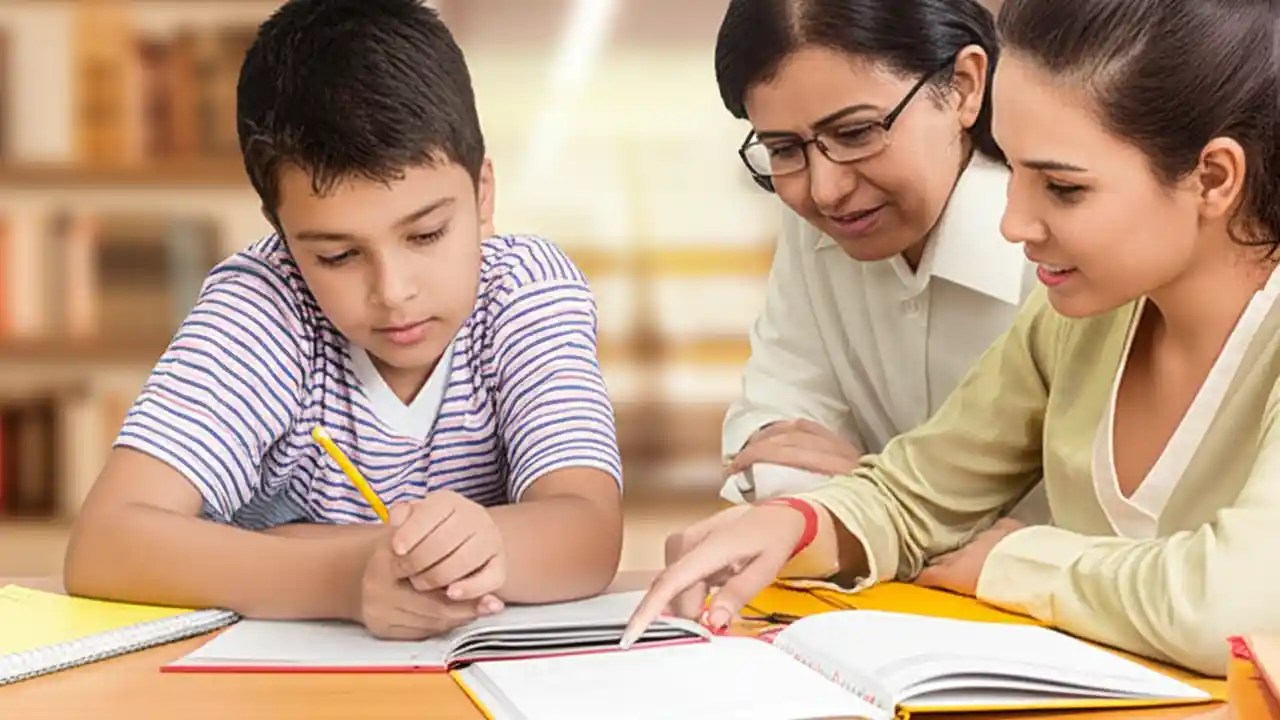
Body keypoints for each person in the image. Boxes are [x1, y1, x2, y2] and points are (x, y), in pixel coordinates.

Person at [626, 0, 1280, 677]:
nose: (1013, 223)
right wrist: (795, 524)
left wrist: (1011, 559)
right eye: (1015, 171)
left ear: (1213, 178)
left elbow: (1232, 610)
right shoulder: (1079, 319)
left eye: (1062, 187)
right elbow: (916, 495)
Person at [63, 0, 624, 641]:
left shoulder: (526, 290)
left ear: (483, 196)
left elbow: (588, 530)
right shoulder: (263, 306)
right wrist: (348, 577)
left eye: (428, 234)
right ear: (281, 237)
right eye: (337, 255)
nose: (393, 292)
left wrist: (484, 543)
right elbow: (106, 543)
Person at [711, 0, 1041, 522]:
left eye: (856, 133)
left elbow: (1109, 545)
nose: (825, 190)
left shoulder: (1052, 251)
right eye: (784, 149)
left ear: (963, 86)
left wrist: (878, 496)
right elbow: (773, 433)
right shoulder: (817, 223)